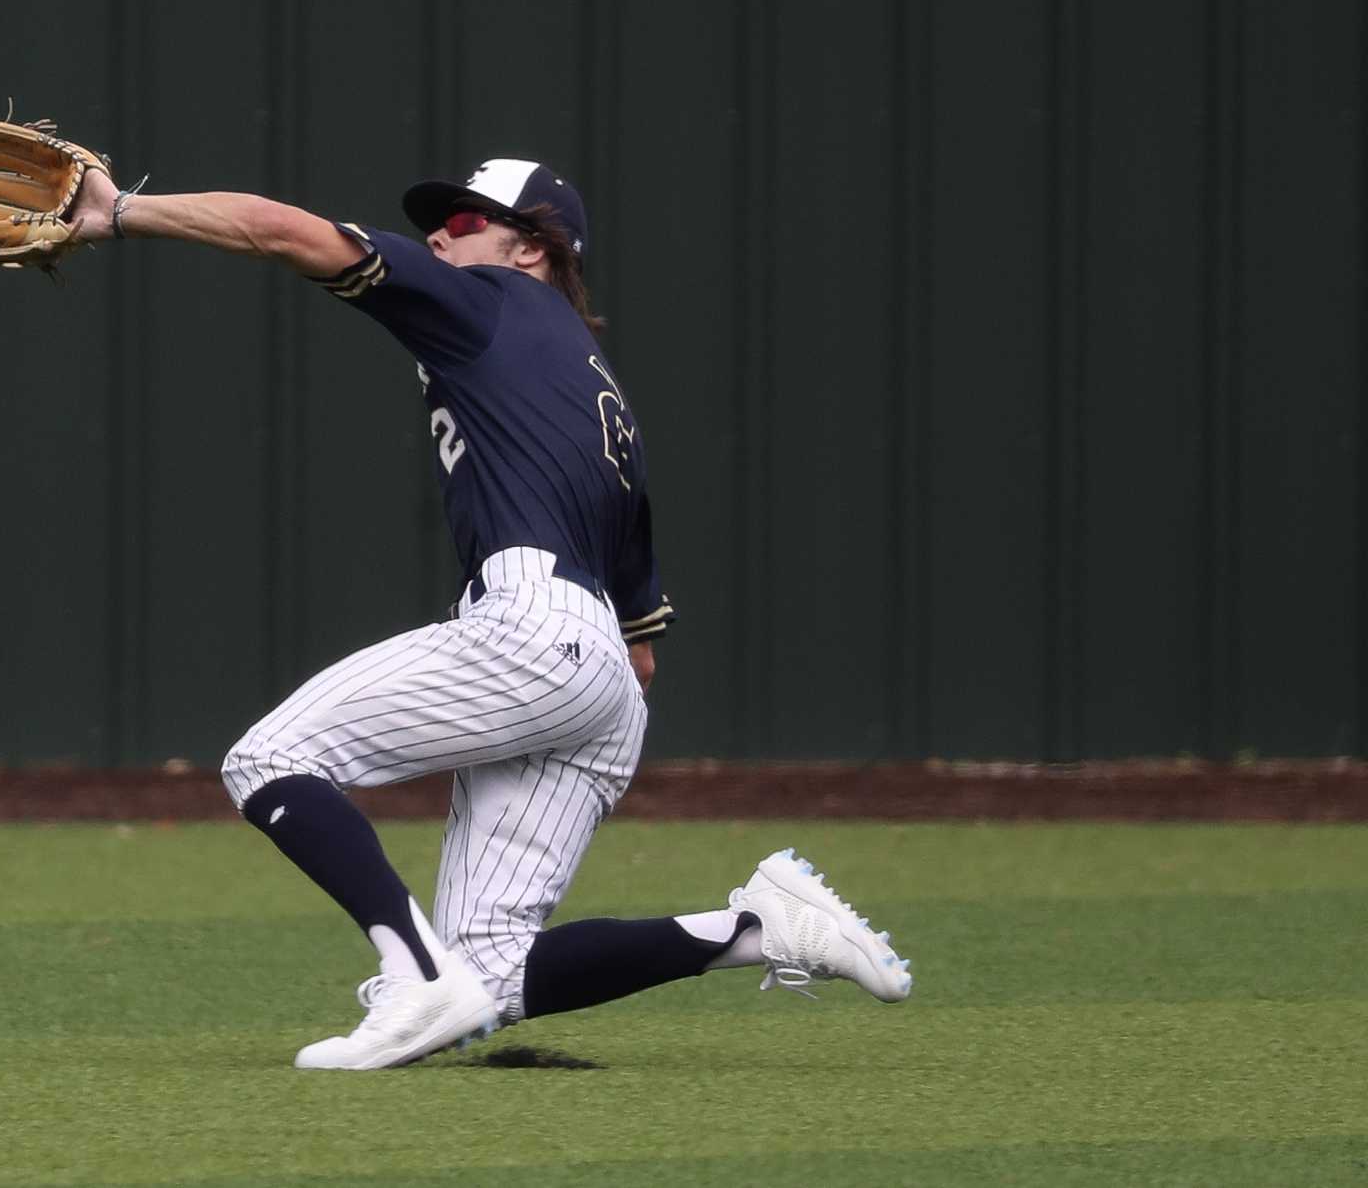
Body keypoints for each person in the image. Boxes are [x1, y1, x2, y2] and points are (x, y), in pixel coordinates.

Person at [66, 157, 913, 1069]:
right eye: (441, 222)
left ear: (534, 247)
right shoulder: (595, 388)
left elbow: (287, 231)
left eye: (469, 220)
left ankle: (413, 971)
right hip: (603, 690)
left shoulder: (491, 302)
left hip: (534, 623)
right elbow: (643, 653)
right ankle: (753, 925)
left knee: (271, 757)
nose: (443, 233)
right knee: (495, 971)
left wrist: (122, 213)